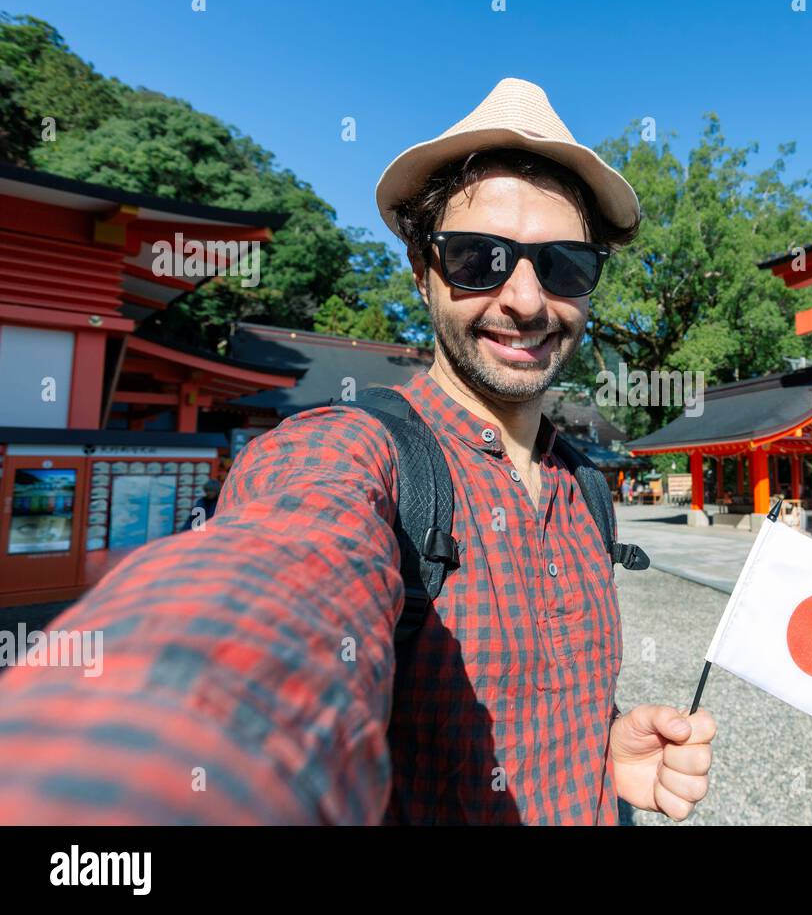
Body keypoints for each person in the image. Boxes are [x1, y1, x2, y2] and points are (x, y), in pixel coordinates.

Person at [0, 77, 715, 825]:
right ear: (422, 272)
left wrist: (603, 756)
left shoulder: (584, 488)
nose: (528, 300)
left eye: (564, 265)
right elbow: (281, 572)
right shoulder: (356, 451)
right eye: (478, 258)